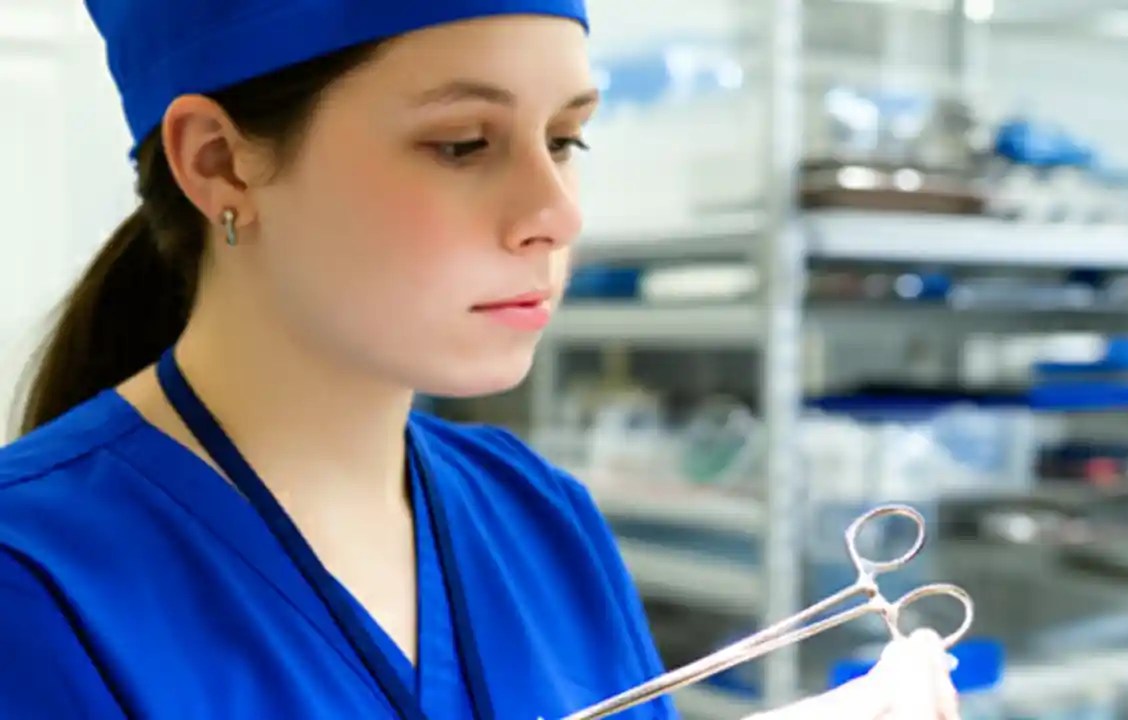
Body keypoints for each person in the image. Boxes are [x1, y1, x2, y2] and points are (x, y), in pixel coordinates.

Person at [0, 1, 961, 718]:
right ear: (218, 162)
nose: (556, 214)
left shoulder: (539, 516)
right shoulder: (36, 586)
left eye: (565, 138)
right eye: (464, 145)